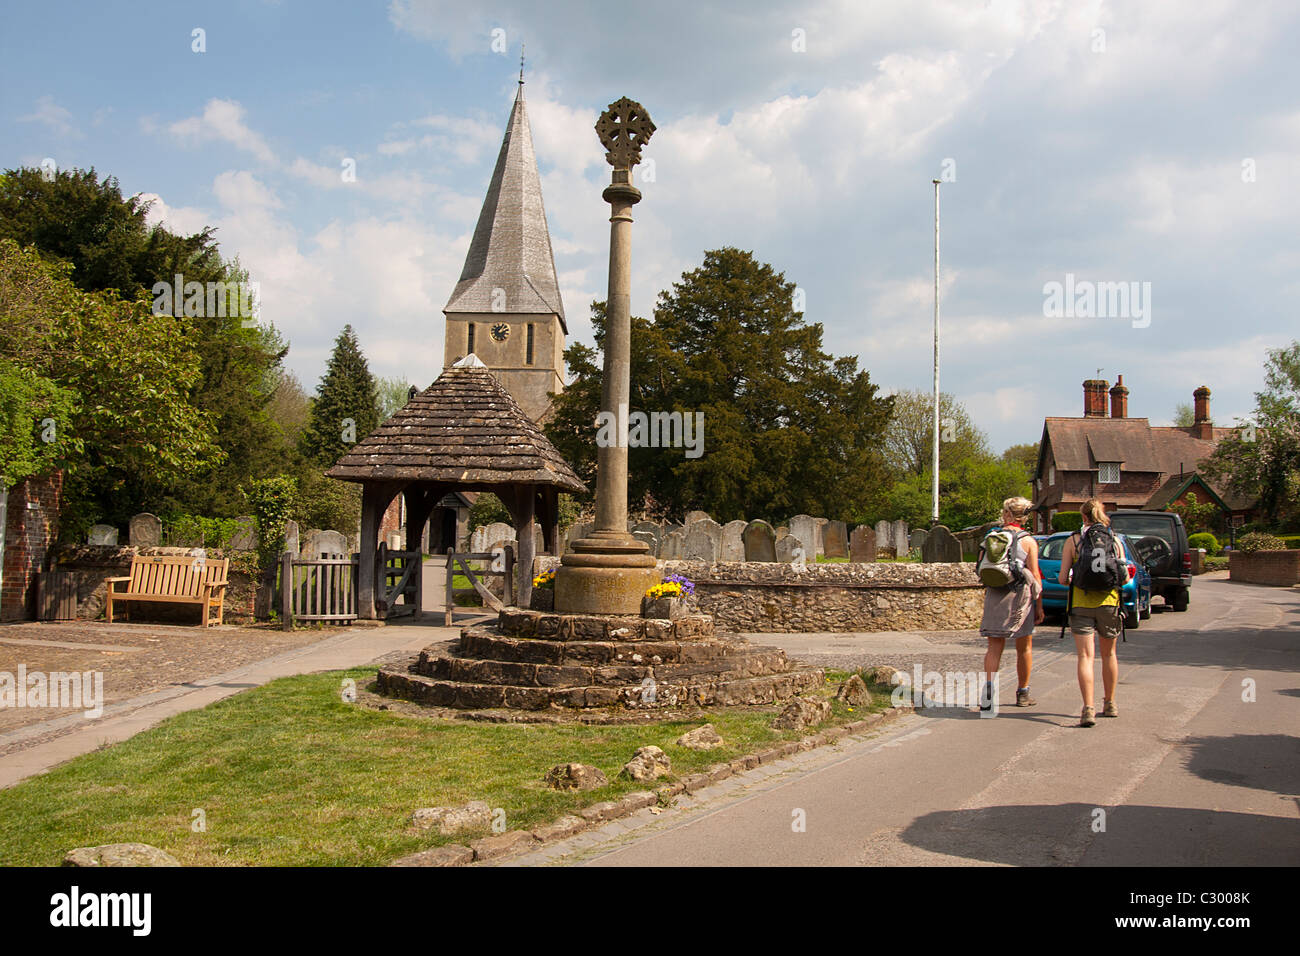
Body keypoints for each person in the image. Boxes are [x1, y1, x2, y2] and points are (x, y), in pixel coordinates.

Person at [1058, 498, 1127, 727]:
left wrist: (1073, 578)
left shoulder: (1073, 541)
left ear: (1083, 517)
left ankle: (1088, 708)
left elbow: (1061, 578)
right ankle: (1110, 703)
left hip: (1081, 602)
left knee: (1085, 657)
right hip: (1109, 602)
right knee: (1109, 655)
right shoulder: (1114, 540)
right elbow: (1124, 577)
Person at [979, 496, 1044, 711]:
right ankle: (1023, 693)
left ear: (1006, 513)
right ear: (1024, 517)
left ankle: (988, 695)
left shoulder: (992, 536)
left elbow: (979, 564)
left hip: (995, 594)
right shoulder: (1028, 541)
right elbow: (1035, 575)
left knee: (994, 647)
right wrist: (1039, 604)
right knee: (1024, 647)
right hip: (1020, 596)